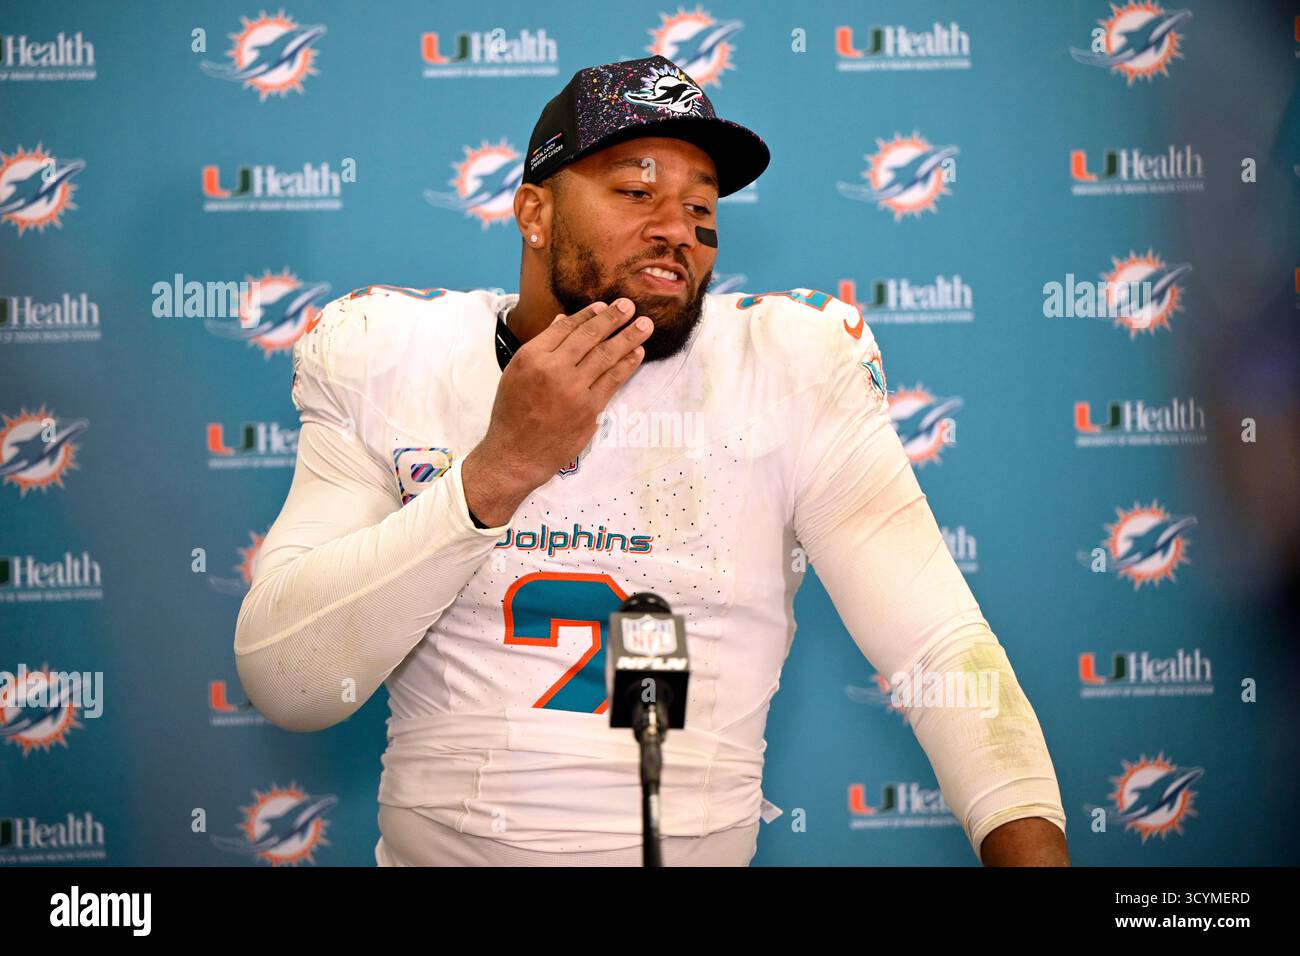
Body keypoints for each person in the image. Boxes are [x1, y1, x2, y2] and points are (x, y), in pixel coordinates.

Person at [233, 55, 1069, 866]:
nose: (677, 229)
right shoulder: (391, 354)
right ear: (534, 214)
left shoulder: (788, 369)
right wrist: (495, 472)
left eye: (701, 208)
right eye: (636, 193)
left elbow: (939, 650)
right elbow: (288, 681)